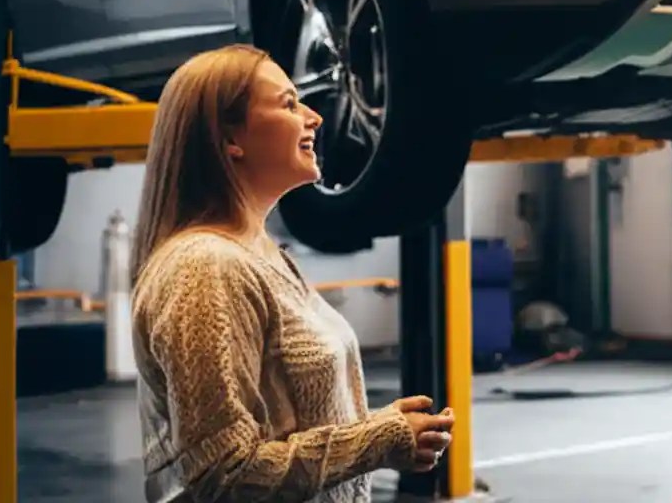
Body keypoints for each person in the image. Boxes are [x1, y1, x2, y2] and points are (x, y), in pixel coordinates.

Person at [129, 44, 454, 502]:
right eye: (288, 104)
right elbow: (224, 476)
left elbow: (288, 426)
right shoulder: (205, 268)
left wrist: (377, 426)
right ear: (229, 139)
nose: (314, 116)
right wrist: (374, 440)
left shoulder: (262, 255)